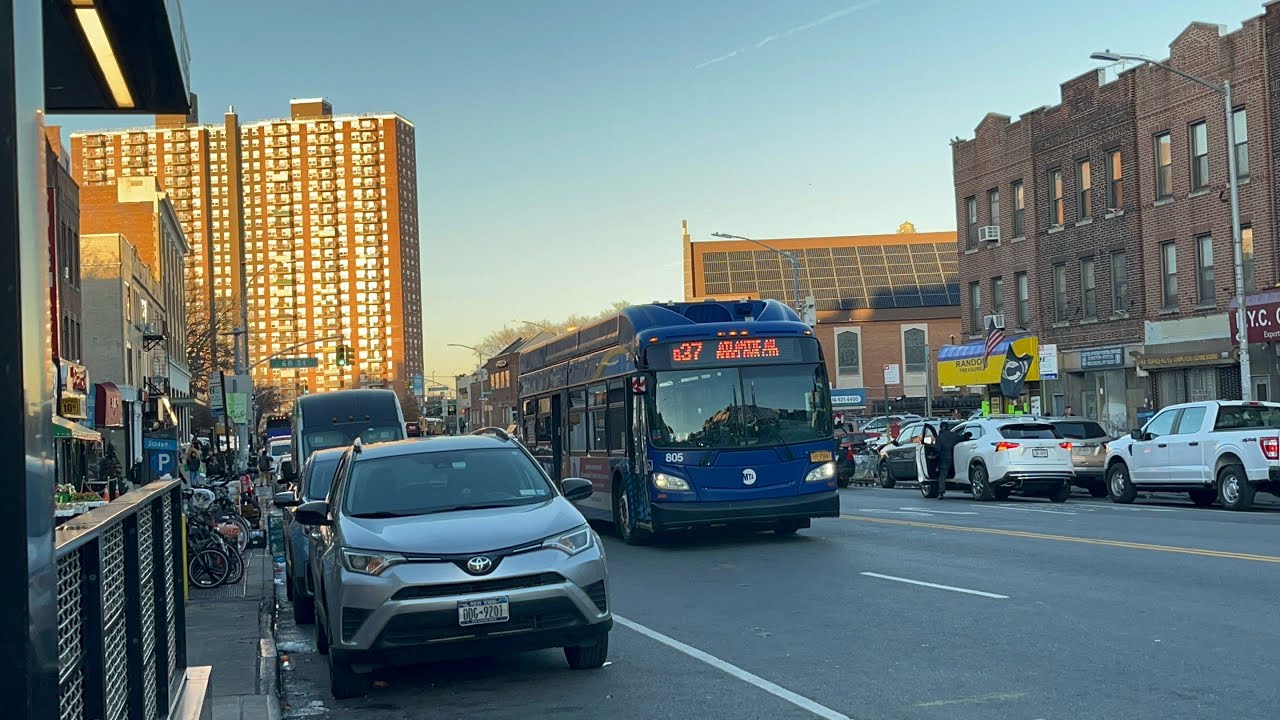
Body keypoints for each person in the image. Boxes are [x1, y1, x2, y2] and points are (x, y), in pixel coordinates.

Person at [935, 421, 960, 498]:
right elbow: (962, 439)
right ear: (948, 427)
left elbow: (937, 449)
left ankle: (941, 493)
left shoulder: (939, 437)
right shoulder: (955, 435)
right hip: (956, 458)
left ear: (941, 428)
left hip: (944, 458)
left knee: (942, 476)